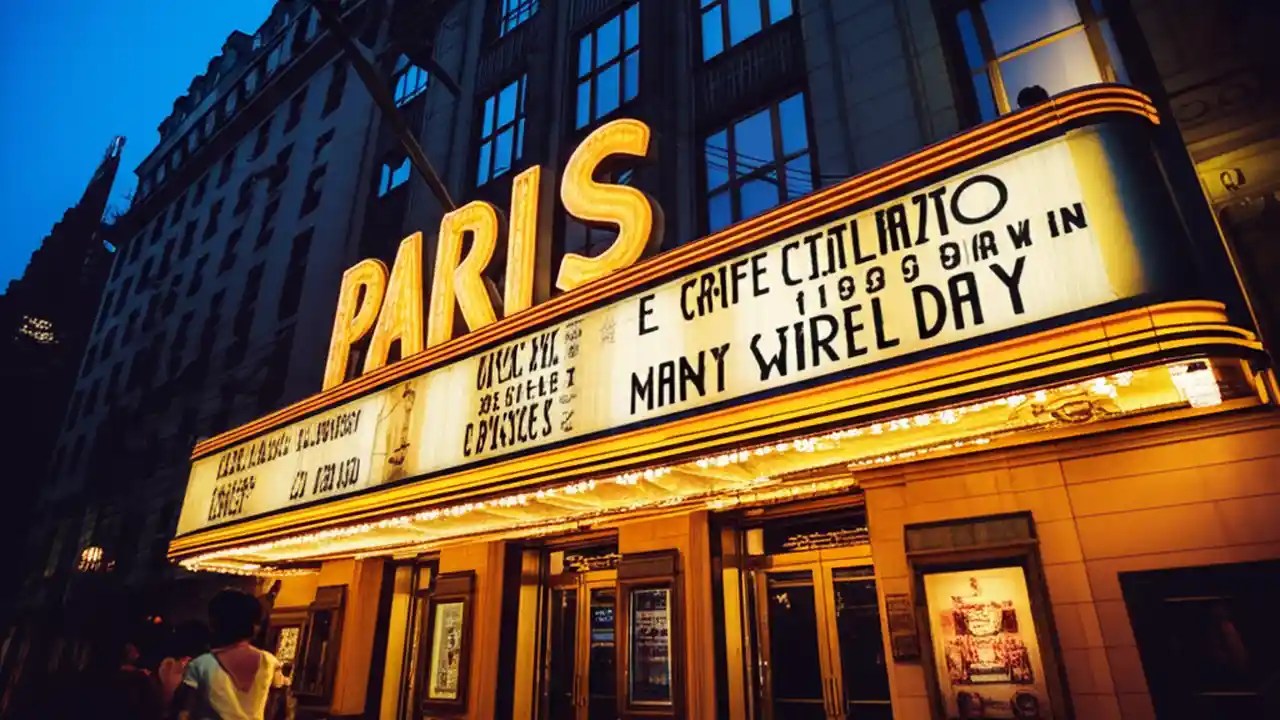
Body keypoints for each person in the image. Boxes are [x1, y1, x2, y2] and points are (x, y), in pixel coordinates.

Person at [172, 589, 287, 720]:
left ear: (217, 623)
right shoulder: (269, 662)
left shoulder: (201, 665)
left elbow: (182, 712)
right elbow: (279, 708)